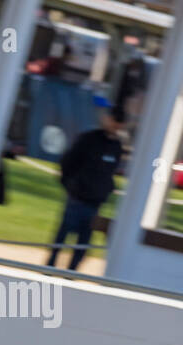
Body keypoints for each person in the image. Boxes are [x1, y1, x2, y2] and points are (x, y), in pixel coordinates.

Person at [47, 103, 125, 271]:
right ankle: (50, 266)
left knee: (84, 241)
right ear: (106, 119)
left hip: (95, 202)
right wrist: (70, 185)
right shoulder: (88, 139)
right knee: (63, 234)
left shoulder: (116, 147)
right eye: (113, 120)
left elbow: (109, 172)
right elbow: (68, 162)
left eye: (119, 122)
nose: (115, 125)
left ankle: (72, 271)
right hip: (77, 197)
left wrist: (105, 190)